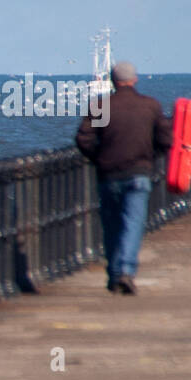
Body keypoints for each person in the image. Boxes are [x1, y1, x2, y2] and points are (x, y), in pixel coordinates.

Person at [75, 61, 174, 295]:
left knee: (111, 227)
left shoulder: (102, 107)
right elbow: (166, 140)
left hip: (109, 174)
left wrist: (98, 157)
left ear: (112, 80)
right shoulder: (149, 106)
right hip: (138, 174)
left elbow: (84, 139)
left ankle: (114, 273)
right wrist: (149, 156)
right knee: (132, 224)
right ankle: (126, 272)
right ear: (134, 79)